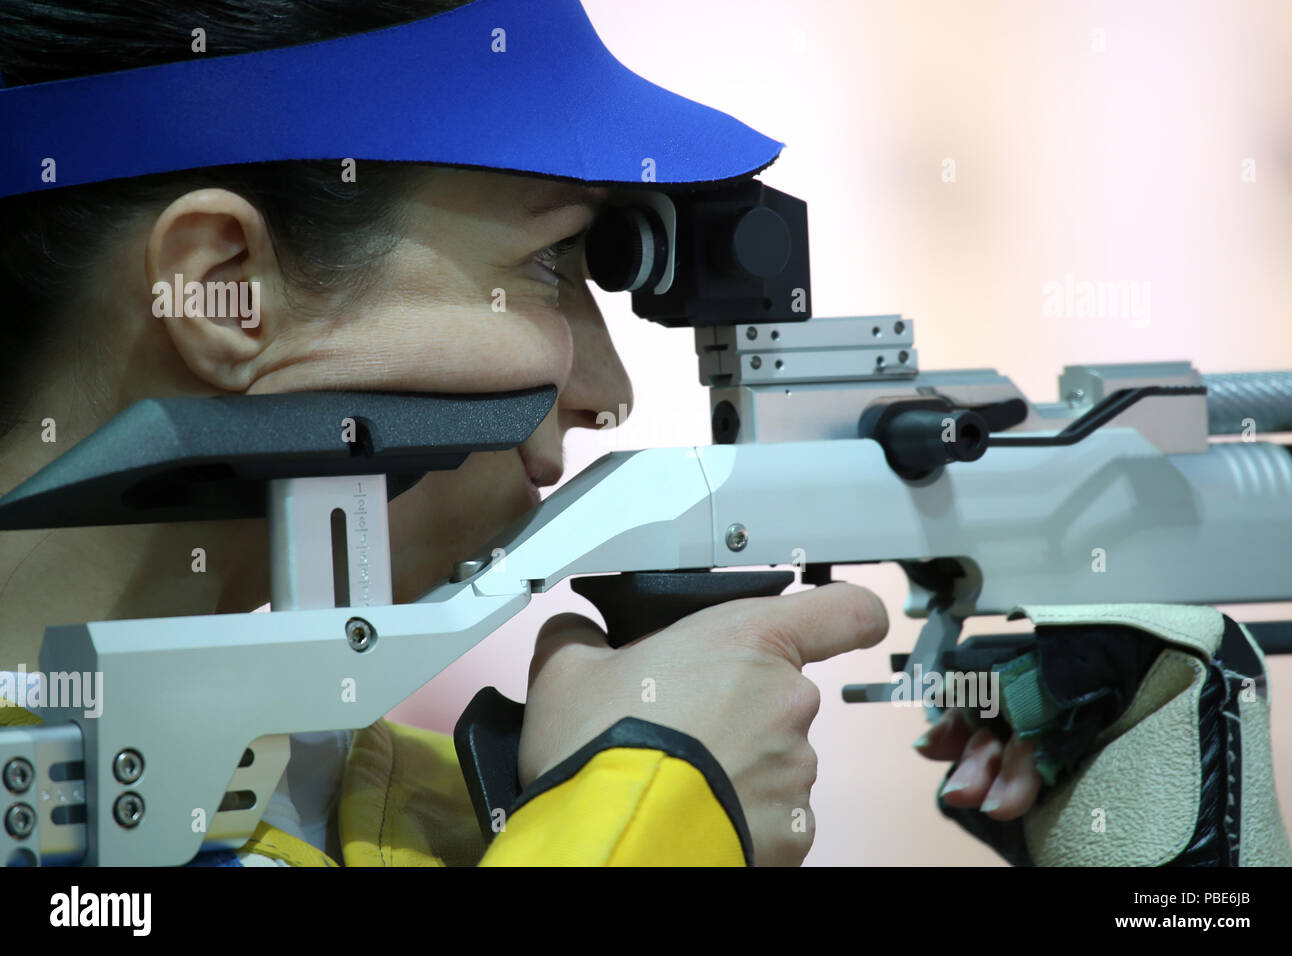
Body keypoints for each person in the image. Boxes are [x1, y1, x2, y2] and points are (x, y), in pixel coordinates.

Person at [0, 0, 1042, 866]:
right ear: (223, 287)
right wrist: (650, 817)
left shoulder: (384, 810)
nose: (605, 389)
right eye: (551, 264)